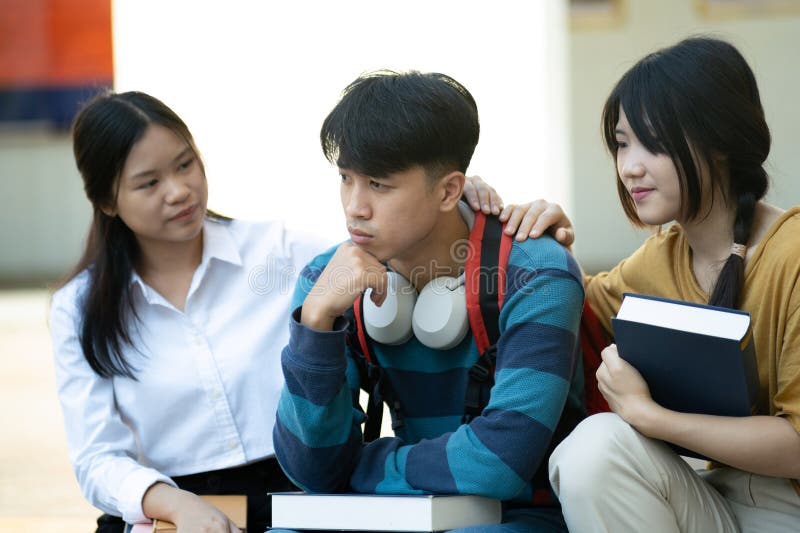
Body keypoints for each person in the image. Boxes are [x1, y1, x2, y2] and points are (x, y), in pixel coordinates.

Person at [50, 90, 541, 532]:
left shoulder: (280, 254)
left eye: (185, 164)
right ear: (106, 201)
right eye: (149, 182)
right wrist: (173, 504)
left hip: (288, 493)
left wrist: (470, 206)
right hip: (164, 508)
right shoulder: (79, 307)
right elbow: (97, 457)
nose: (178, 190)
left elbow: (403, 235)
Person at [272, 71, 586, 532]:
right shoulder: (328, 279)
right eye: (345, 178)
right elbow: (312, 470)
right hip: (400, 513)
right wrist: (316, 323)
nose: (355, 206)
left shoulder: (536, 272)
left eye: (379, 184)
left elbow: (497, 464)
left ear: (447, 190)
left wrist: (360, 466)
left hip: (515, 516)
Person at [537, 37, 800, 532]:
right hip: (712, 501)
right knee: (593, 448)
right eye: (621, 142)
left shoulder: (794, 253)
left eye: (653, 142)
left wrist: (648, 415)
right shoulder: (659, 258)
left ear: (720, 142)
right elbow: (568, 304)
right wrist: (538, 235)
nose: (629, 165)